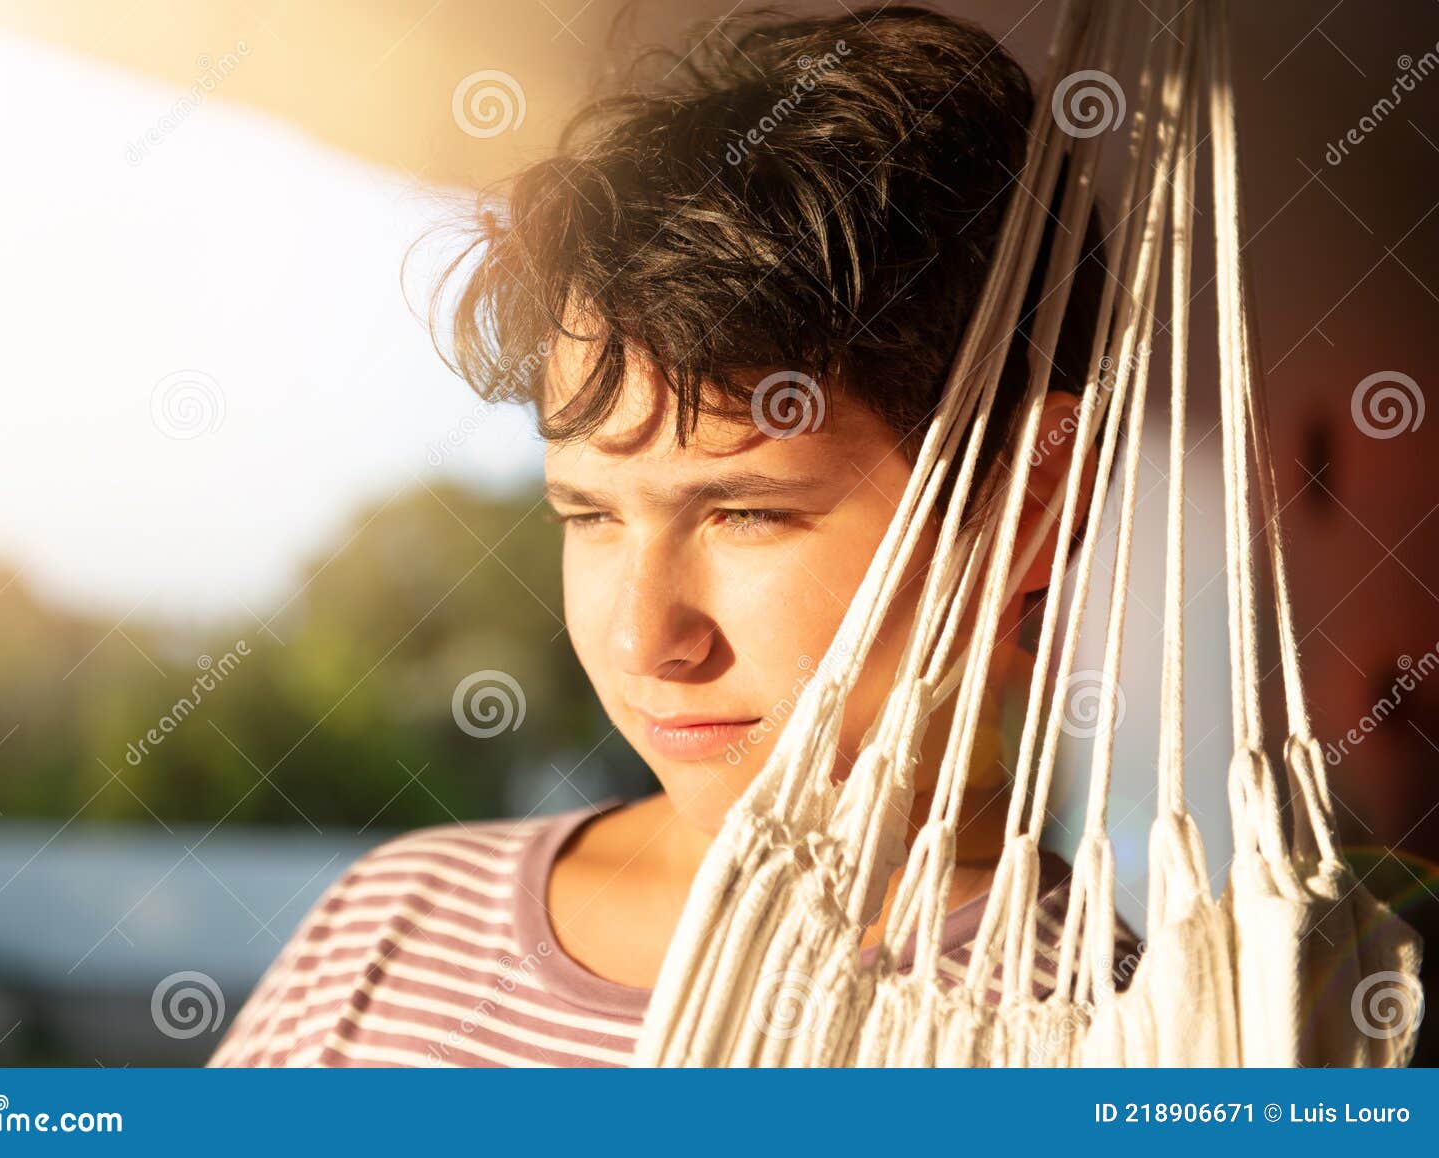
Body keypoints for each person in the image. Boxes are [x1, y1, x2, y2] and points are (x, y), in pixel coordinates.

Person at [211, 3, 1141, 1068]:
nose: (643, 640)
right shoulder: (399, 926)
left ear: (1032, 501)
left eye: (747, 513)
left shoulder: (1103, 1043)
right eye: (590, 514)